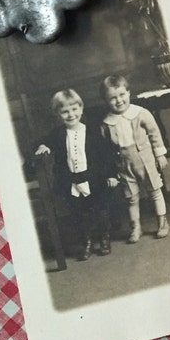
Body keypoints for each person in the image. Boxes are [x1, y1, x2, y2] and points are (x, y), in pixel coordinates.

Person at [35, 89, 114, 261]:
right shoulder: (57, 134)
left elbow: (106, 154)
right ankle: (87, 241)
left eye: (74, 109)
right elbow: (44, 141)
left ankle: (104, 238)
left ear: (81, 108)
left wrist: (111, 175)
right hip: (71, 181)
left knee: (100, 210)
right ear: (58, 114)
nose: (71, 114)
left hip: (94, 179)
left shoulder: (92, 131)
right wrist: (43, 146)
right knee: (78, 214)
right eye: (65, 111)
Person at [99, 75, 168, 243]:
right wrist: (112, 172)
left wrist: (159, 154)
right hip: (123, 163)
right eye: (113, 98)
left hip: (144, 159)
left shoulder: (140, 113)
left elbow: (154, 134)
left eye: (122, 95)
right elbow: (106, 149)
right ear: (106, 101)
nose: (119, 100)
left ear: (129, 93)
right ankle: (136, 227)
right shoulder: (106, 123)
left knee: (154, 190)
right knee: (131, 197)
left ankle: (162, 221)